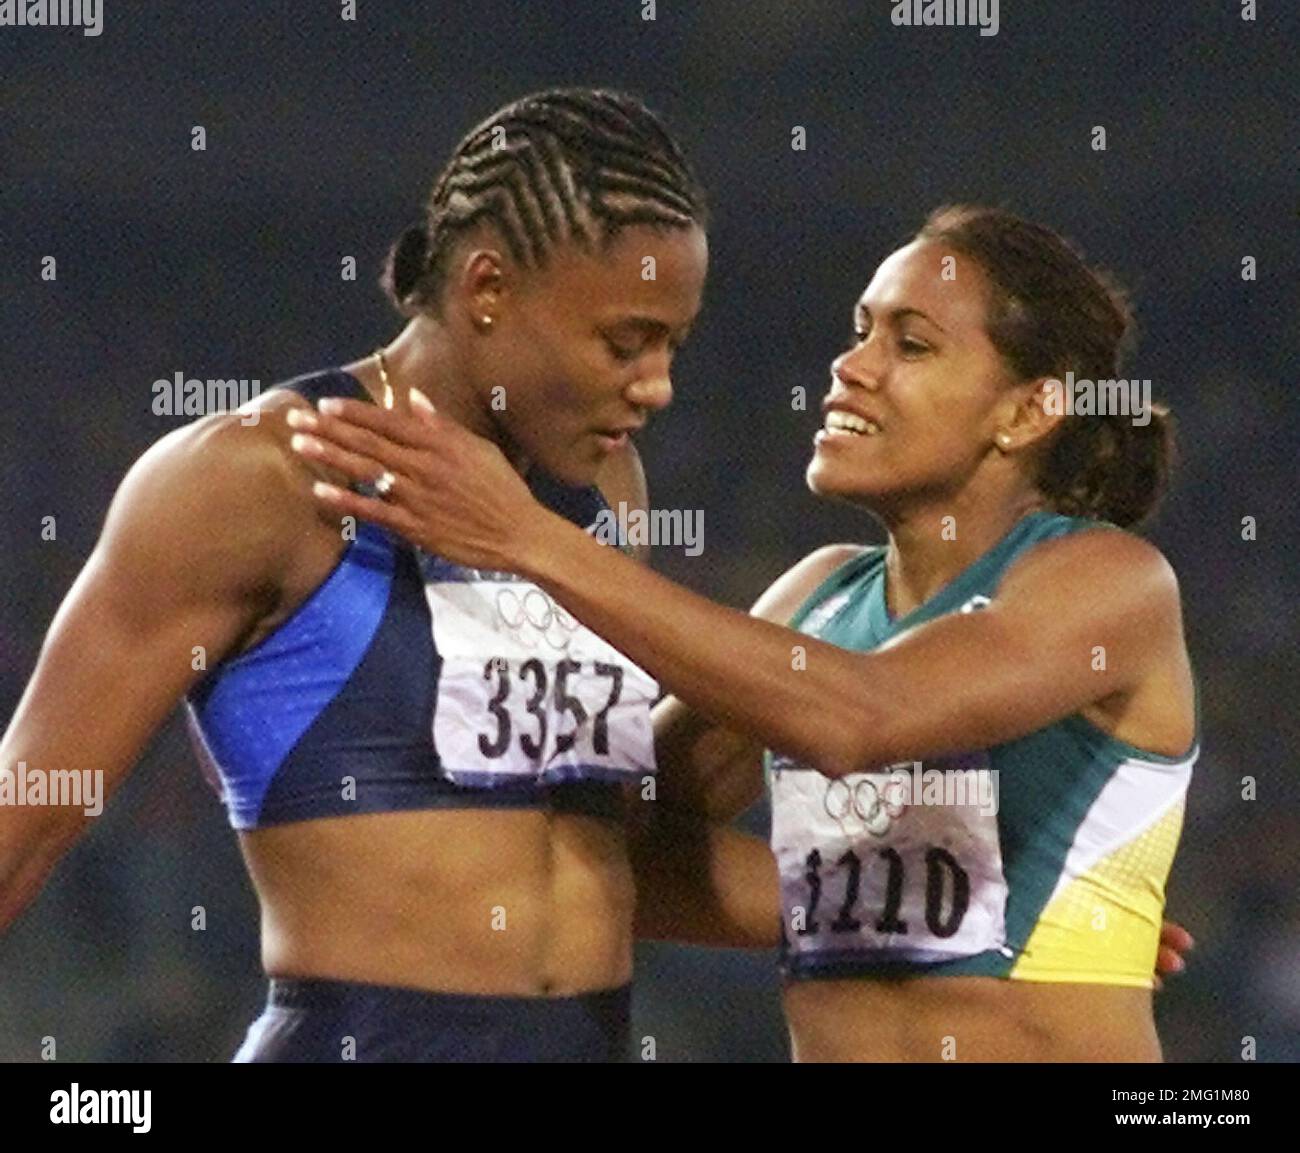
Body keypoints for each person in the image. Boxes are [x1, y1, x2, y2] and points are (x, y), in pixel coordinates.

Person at [294, 204, 1199, 1061]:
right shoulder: (815, 598)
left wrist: (528, 538)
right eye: (860, 329)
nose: (852, 366)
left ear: (1027, 410)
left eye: (912, 344)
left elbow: (861, 715)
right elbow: (618, 844)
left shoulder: (1107, 581)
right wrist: (931, 902)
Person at [0, 87, 709, 1061]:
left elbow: (594, 849)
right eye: (624, 341)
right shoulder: (258, 479)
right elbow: (24, 818)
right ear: (488, 289)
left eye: (674, 342)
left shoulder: (606, 484)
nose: (657, 384)